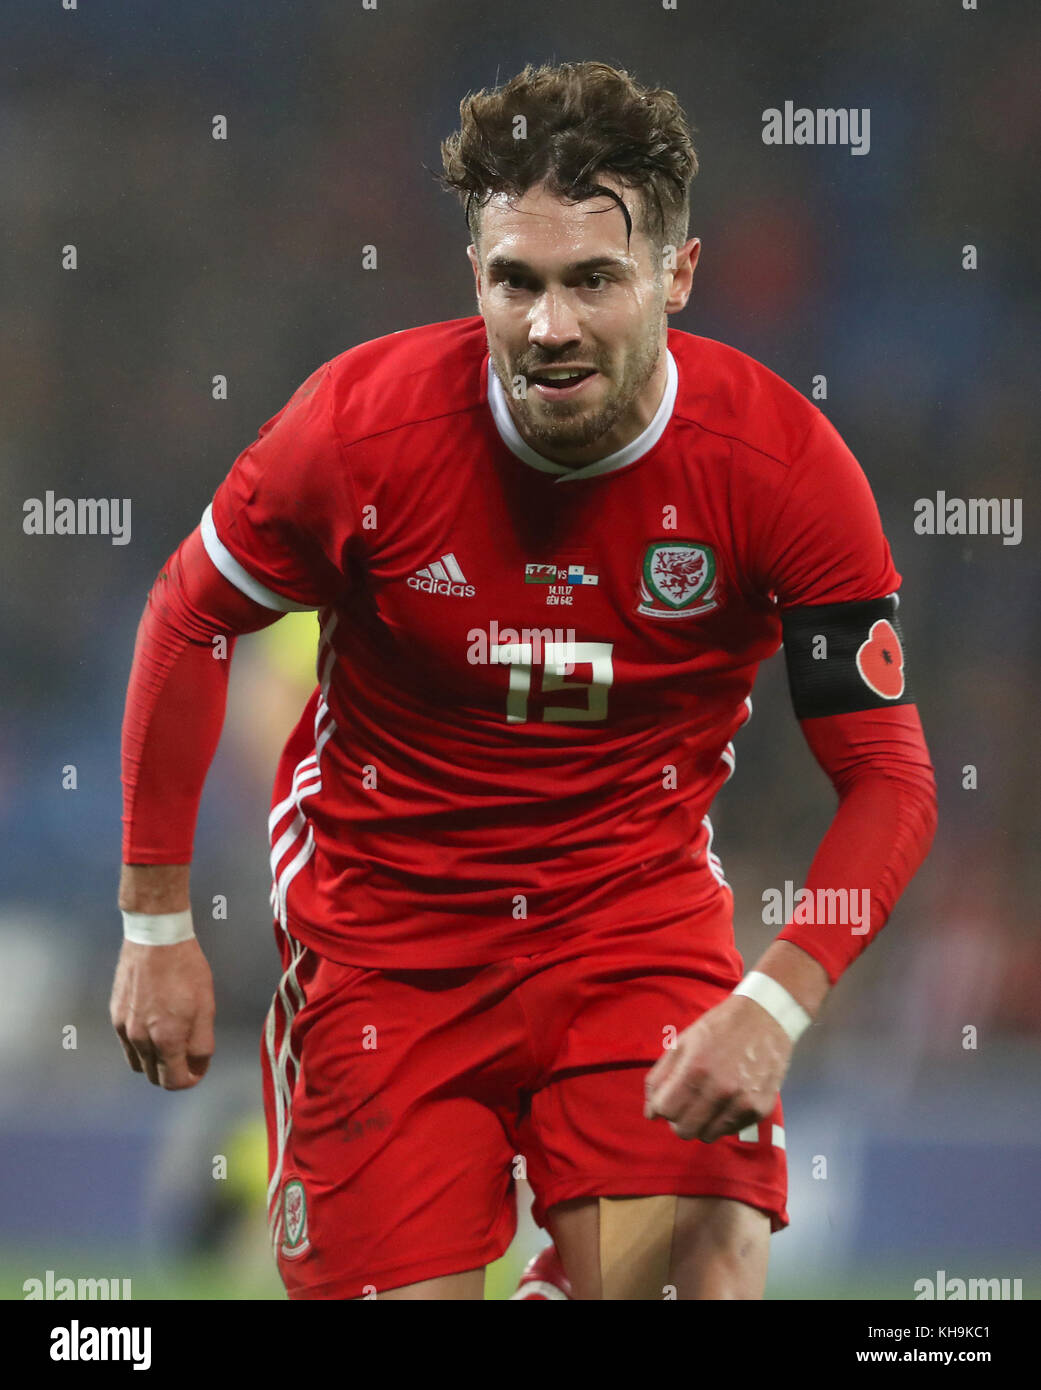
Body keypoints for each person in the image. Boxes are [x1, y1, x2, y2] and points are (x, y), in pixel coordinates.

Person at [110, 60, 937, 1300]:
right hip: (386, 933)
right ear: (477, 279)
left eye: (593, 280)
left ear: (678, 275)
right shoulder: (357, 429)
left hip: (630, 920)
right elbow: (189, 616)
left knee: (696, 1279)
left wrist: (776, 1000)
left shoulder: (782, 469)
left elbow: (888, 779)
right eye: (518, 281)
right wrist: (156, 922)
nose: (549, 328)